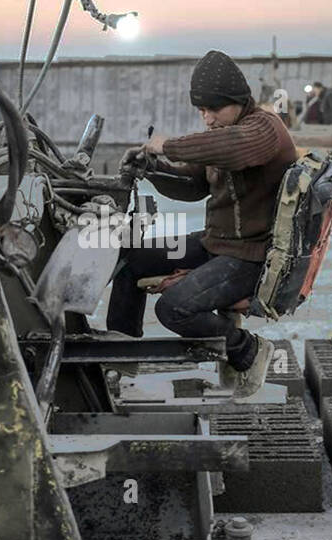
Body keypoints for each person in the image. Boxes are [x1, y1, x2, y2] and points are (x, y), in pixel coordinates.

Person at [106, 49, 295, 397]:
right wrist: (150, 167)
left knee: (173, 307)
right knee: (129, 260)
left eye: (213, 109)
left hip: (250, 257)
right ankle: (121, 359)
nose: (207, 119)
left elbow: (234, 148)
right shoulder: (222, 136)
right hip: (215, 244)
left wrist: (167, 145)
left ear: (238, 101)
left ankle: (248, 349)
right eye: (201, 111)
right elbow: (193, 186)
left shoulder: (264, 127)